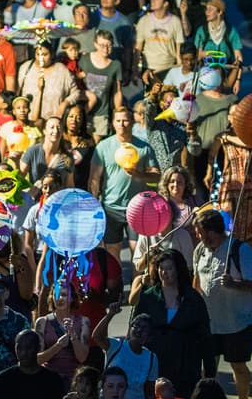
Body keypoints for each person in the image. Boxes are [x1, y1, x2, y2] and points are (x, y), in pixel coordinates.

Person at [192, 209, 252, 399]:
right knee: (208, 369)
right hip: (210, 323)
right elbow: (196, 281)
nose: (199, 237)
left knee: (238, 366)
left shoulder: (240, 250)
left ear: (213, 231)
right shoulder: (200, 251)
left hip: (237, 322)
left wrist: (236, 284)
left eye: (201, 233)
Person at [131, 248, 210, 399]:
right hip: (155, 364)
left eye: (169, 268)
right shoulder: (148, 296)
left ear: (178, 270)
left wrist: (209, 370)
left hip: (186, 364)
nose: (164, 273)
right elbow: (136, 331)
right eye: (161, 268)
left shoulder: (192, 298)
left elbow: (204, 335)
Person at [89, 106, 159, 259]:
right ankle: (116, 283)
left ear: (132, 122)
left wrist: (139, 174)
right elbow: (94, 179)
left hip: (137, 207)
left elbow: (157, 176)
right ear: (113, 123)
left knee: (139, 254)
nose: (122, 124)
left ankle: (137, 283)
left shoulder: (144, 147)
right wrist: (94, 206)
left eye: (125, 120)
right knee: (112, 254)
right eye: (118, 120)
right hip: (111, 208)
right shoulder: (103, 147)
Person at [207, 128, 252, 260]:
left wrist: (227, 138)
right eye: (232, 114)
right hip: (229, 188)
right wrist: (209, 171)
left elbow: (250, 145)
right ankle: (230, 265)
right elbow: (213, 153)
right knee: (228, 228)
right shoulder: (222, 137)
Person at [91, 307, 158, 399]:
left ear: (149, 336)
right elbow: (97, 337)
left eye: (144, 328)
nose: (139, 330)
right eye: (136, 326)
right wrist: (110, 314)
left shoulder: (151, 358)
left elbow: (149, 392)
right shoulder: (117, 346)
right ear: (129, 328)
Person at [187, 67, 234, 200]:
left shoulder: (231, 99)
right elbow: (189, 123)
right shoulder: (196, 99)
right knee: (201, 187)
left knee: (221, 188)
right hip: (200, 151)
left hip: (223, 151)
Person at [35, 287, 91, 384]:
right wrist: (58, 346)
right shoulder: (42, 322)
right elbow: (37, 359)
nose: (60, 298)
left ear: (72, 298)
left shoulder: (83, 322)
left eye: (64, 295)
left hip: (74, 380)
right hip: (49, 379)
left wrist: (73, 335)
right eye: (56, 295)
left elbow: (82, 358)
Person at [18, 43, 81, 127]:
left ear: (52, 54)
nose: (41, 58)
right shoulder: (25, 68)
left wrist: (65, 103)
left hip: (54, 123)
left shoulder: (61, 70)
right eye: (38, 54)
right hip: (30, 123)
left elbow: (76, 92)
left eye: (45, 55)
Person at [80, 30, 125, 141]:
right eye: (102, 45)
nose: (105, 49)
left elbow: (117, 91)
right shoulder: (84, 60)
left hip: (101, 113)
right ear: (95, 44)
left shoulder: (116, 65)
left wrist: (118, 113)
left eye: (109, 45)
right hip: (83, 111)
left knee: (96, 147)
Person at [135, 0, 187, 78]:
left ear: (165, 3)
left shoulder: (175, 21)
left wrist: (180, 69)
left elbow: (179, 49)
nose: (152, 0)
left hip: (168, 68)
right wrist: (135, 68)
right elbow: (138, 47)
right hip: (148, 68)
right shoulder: (144, 20)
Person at [192, 0, 243, 93]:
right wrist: (203, 54)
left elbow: (239, 59)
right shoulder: (202, 31)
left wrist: (238, 81)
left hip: (225, 75)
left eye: (210, 9)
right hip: (206, 74)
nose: (207, 12)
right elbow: (196, 57)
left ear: (220, 12)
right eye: (206, 9)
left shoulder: (231, 32)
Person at [22, 116, 74, 188]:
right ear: (44, 131)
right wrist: (16, 161)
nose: (55, 131)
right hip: (35, 197)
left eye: (58, 128)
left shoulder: (68, 157)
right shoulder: (33, 151)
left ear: (62, 132)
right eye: (52, 127)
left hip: (56, 198)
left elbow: (69, 185)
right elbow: (20, 176)